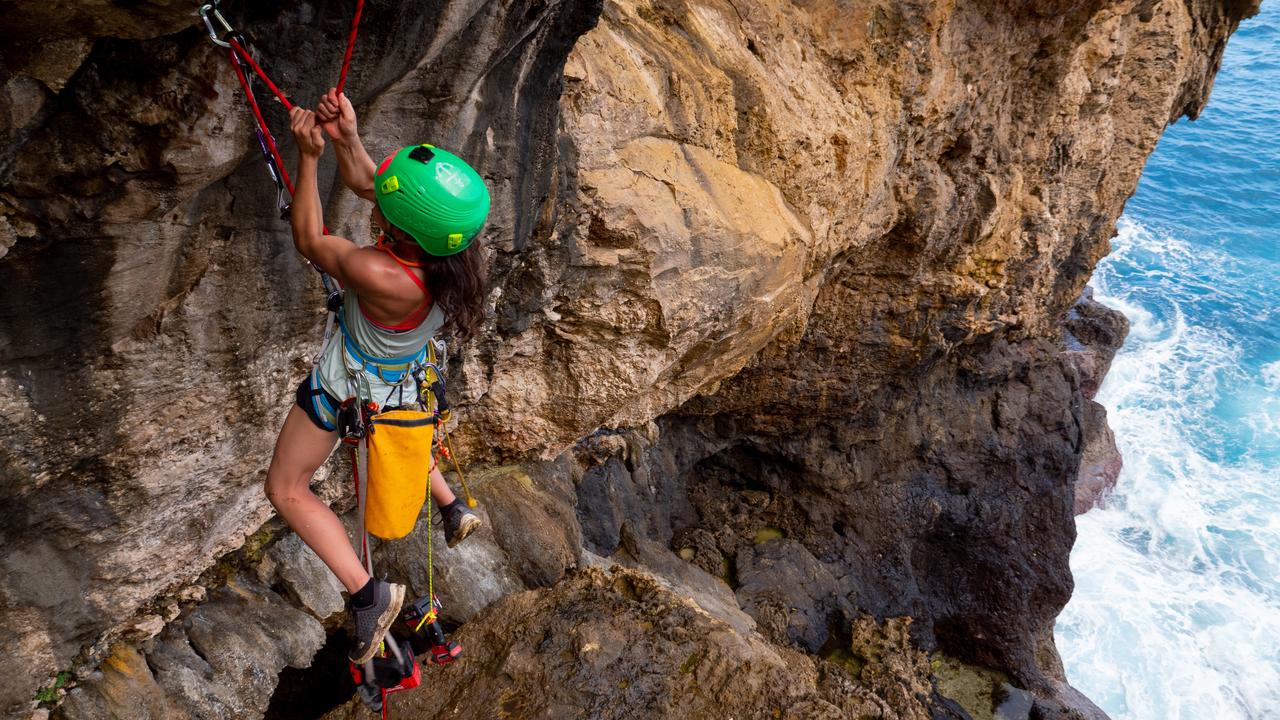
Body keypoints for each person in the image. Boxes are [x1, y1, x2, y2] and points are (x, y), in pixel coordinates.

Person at [264, 88, 487, 664]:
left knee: (286, 489)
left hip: (349, 383)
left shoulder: (377, 271)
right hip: (403, 375)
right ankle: (451, 505)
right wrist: (349, 138)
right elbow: (376, 189)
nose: (374, 199)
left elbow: (311, 240)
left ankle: (369, 595)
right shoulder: (452, 252)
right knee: (403, 436)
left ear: (400, 227)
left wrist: (309, 156)